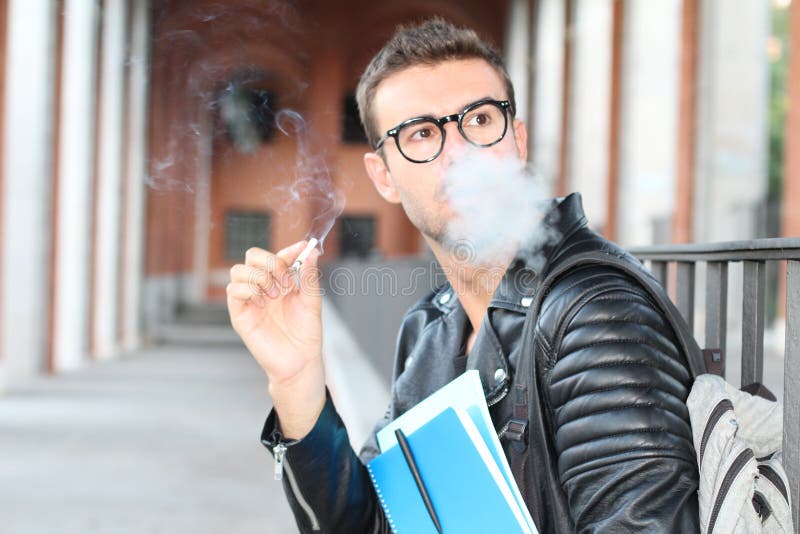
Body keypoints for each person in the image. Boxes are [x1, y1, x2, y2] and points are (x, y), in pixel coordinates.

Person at [227, 18, 700, 533]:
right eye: (423, 133)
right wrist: (297, 382)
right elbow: (373, 525)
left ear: (517, 142)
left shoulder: (596, 317)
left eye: (478, 120)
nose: (458, 152)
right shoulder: (432, 327)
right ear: (383, 176)